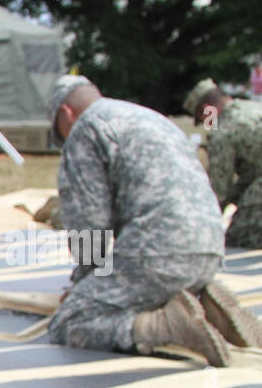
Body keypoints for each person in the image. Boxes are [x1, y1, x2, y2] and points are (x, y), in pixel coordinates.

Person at [47, 75, 260, 365]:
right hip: (209, 248)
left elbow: (89, 223)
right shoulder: (151, 118)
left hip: (160, 251)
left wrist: (86, 284)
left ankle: (165, 325)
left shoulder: (86, 129)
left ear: (66, 113)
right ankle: (204, 306)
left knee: (70, 321)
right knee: (141, 289)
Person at [185, 78, 262, 251]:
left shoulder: (223, 134)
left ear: (208, 111)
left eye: (203, 119)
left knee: (239, 236)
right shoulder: (253, 107)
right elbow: (250, 171)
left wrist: (200, 228)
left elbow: (218, 192)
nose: (206, 125)